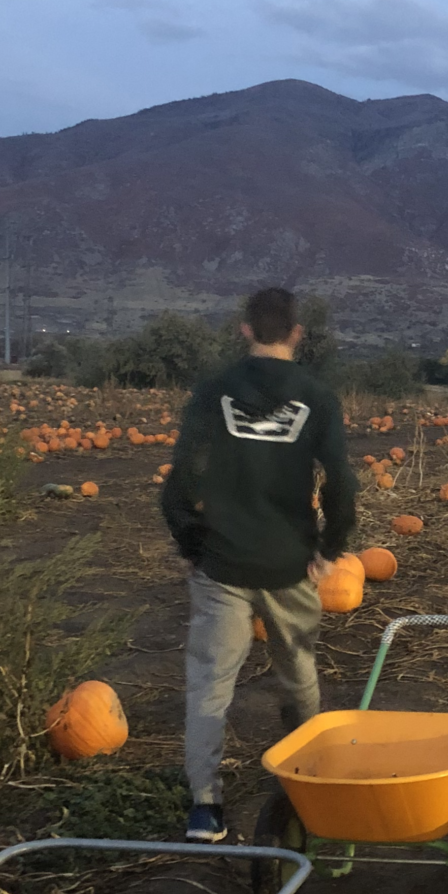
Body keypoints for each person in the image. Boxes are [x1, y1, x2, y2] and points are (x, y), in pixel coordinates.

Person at [161, 286, 357, 842]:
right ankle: (309, 781)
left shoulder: (213, 392)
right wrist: (329, 546)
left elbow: (179, 482)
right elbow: (342, 480)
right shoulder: (316, 397)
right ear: (297, 333)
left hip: (222, 565)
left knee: (209, 687)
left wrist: (193, 546)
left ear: (245, 330)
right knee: (298, 677)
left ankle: (205, 807)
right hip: (289, 563)